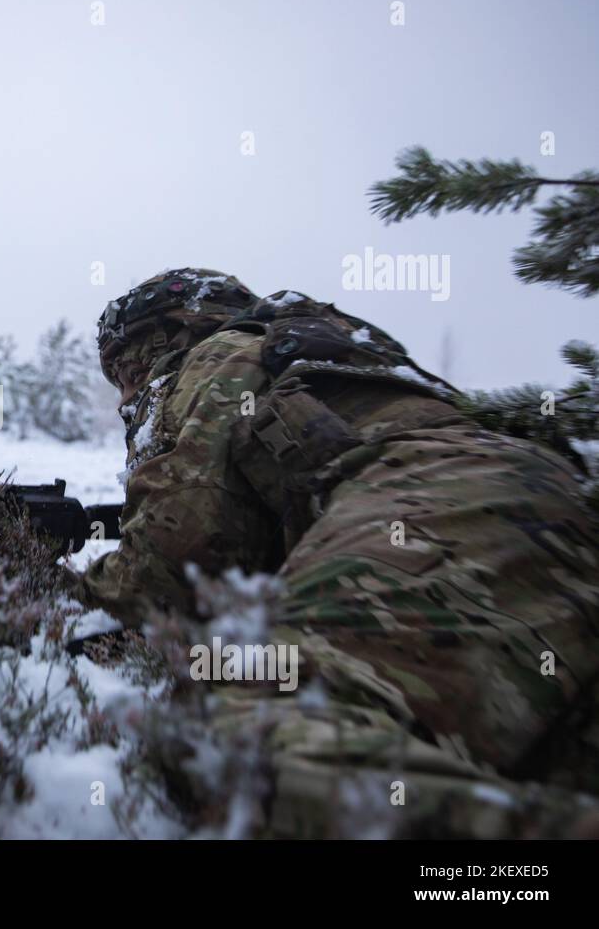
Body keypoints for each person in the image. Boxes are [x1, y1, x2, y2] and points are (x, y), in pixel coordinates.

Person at [78, 268, 599, 837]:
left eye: (130, 371)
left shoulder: (221, 354)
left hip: (427, 506)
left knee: (241, 740)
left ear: (177, 334)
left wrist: (69, 590)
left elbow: (179, 551)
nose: (128, 396)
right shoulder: (319, 355)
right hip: (545, 503)